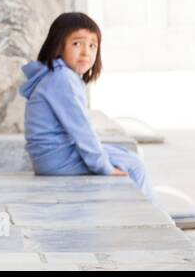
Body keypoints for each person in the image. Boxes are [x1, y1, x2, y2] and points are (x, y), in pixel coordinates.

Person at [20, 12, 157, 203]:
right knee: (133, 164)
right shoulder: (62, 79)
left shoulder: (57, 76)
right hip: (56, 159)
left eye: (93, 45)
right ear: (58, 46)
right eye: (77, 44)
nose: (86, 52)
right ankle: (152, 219)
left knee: (125, 154)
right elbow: (81, 130)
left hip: (51, 157)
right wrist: (104, 167)